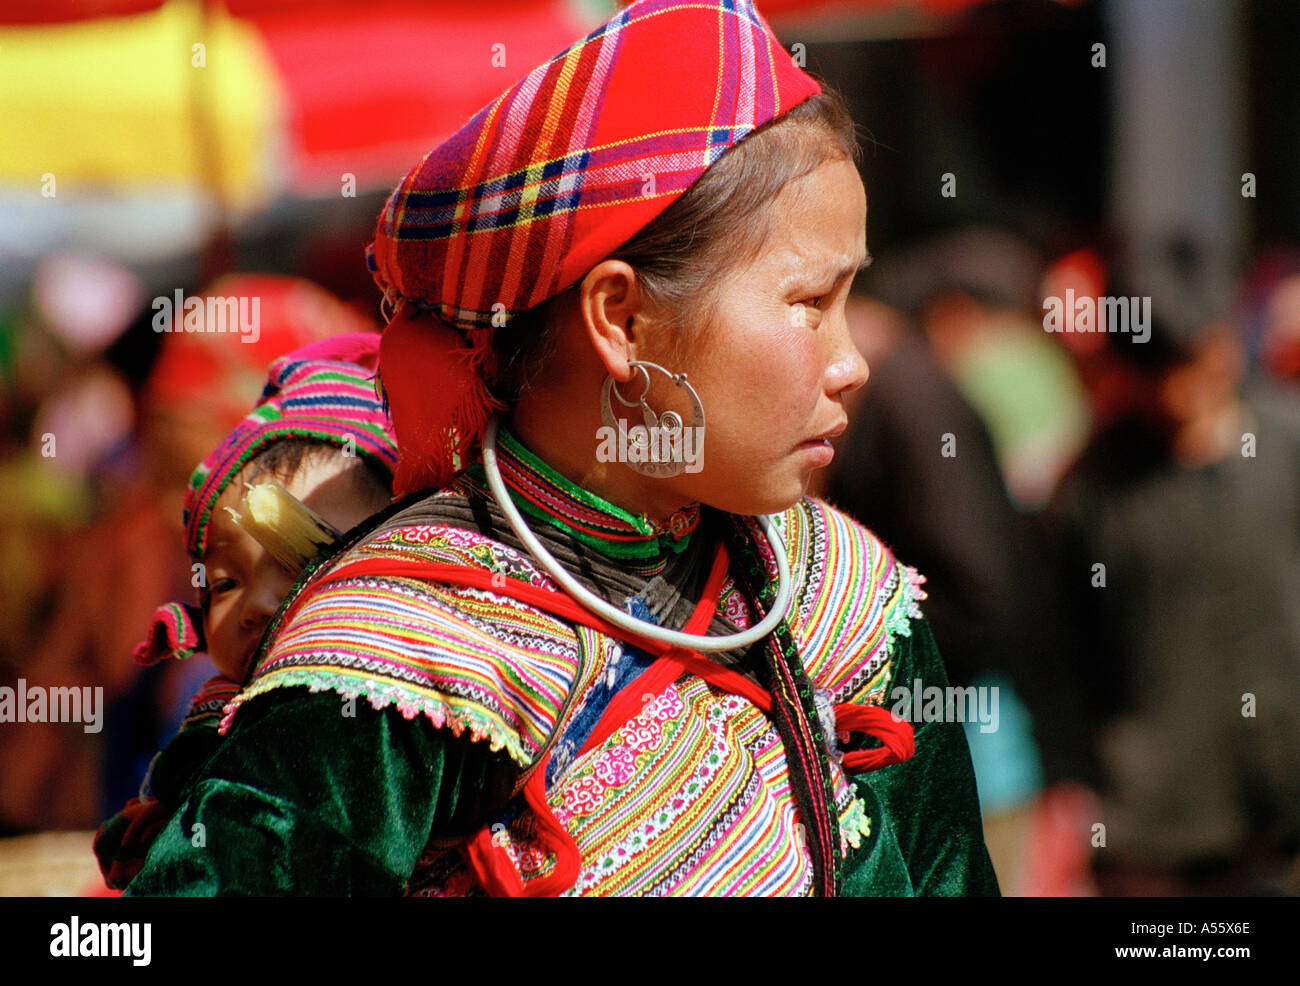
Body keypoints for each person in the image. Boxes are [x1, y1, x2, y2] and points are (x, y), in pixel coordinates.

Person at [128, 0, 998, 896]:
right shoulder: (403, 661)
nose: (852, 363)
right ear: (622, 320)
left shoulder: (839, 598)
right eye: (810, 304)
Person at [94, 333, 398, 889]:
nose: (255, 604)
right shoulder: (210, 722)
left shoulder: (385, 723)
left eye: (297, 557)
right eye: (225, 581)